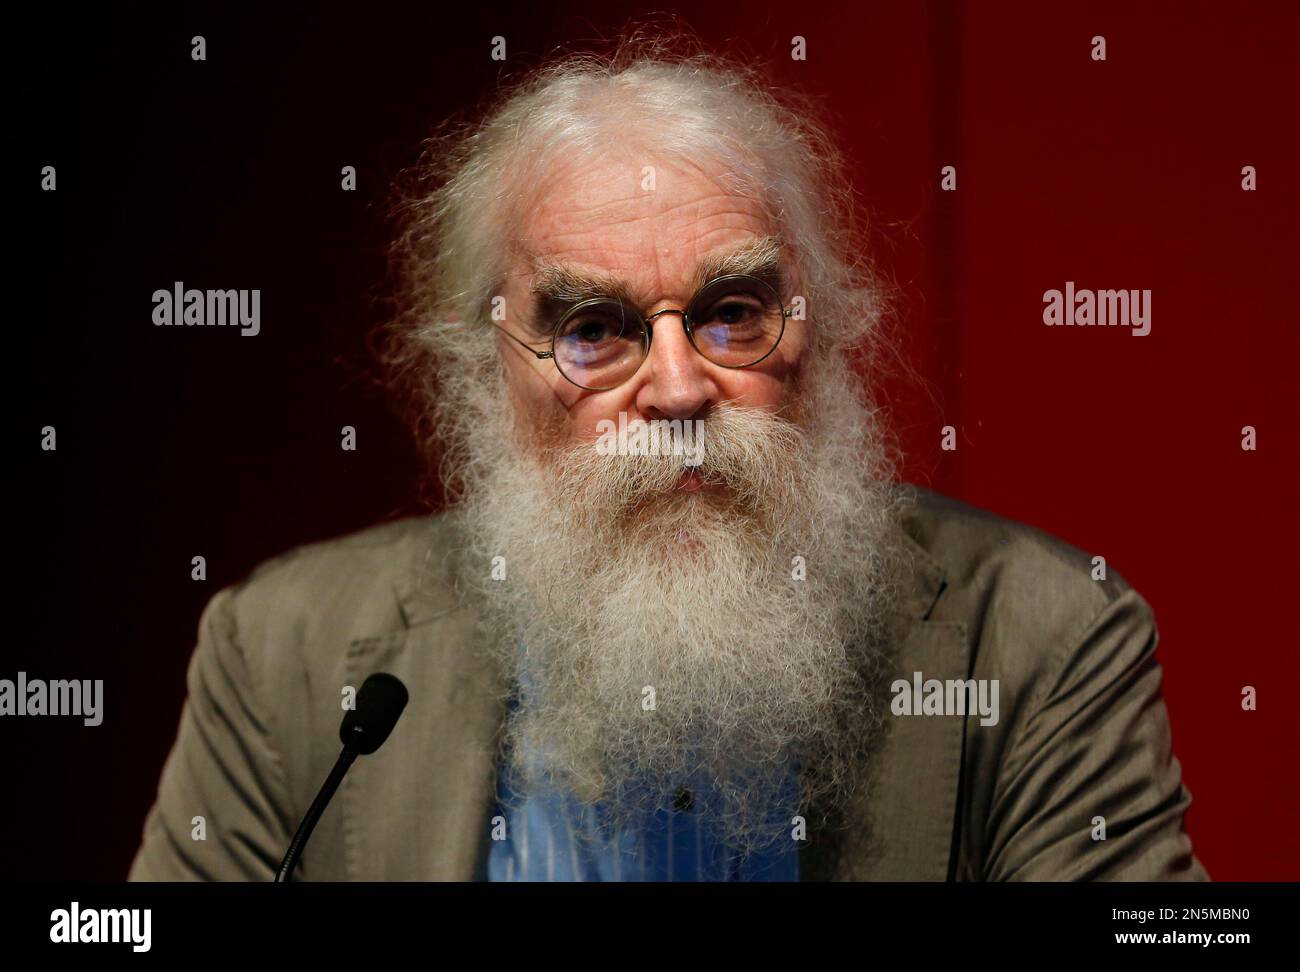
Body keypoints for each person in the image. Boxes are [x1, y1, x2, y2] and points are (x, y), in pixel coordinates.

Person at [128, 32, 1207, 882]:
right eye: (593, 330)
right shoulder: (283, 657)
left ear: (819, 334)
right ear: (483, 371)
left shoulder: (1042, 643)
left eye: (734, 313)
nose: (683, 389)